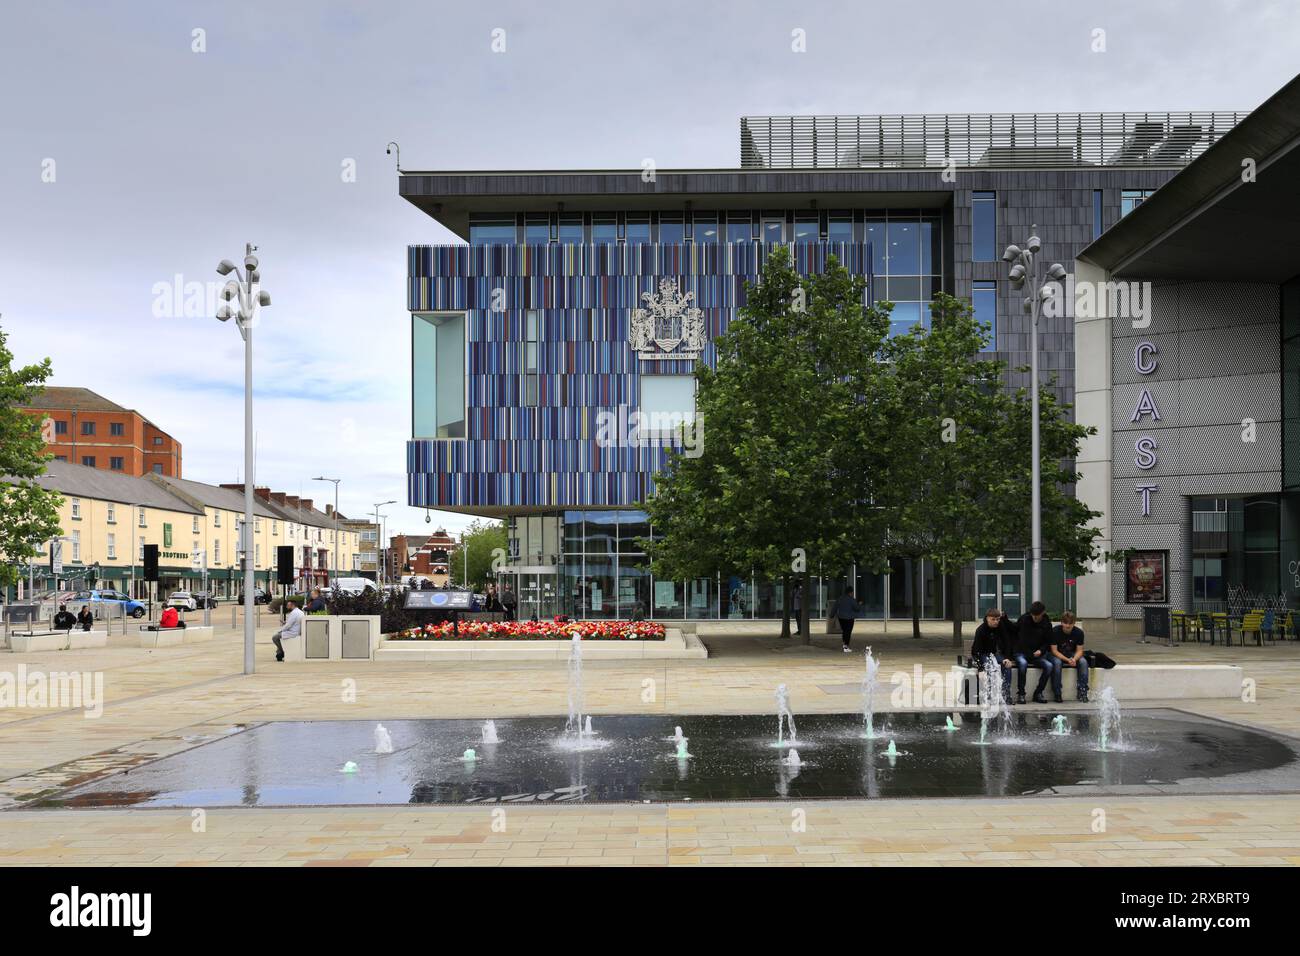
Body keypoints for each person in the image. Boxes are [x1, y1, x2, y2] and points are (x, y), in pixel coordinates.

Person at [1015, 601, 1059, 703]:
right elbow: (1018, 636)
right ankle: (1021, 693)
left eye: (1037, 616)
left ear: (1043, 613)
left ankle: (1038, 693)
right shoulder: (1024, 619)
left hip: (1036, 653)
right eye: (1033, 615)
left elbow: (1048, 641)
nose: (1035, 618)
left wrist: (1041, 650)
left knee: (1049, 666)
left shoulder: (1046, 623)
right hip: (1022, 651)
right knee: (1023, 664)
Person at [970, 608, 1017, 703]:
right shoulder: (981, 630)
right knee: (990, 666)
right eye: (993, 619)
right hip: (982, 654)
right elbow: (975, 651)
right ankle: (990, 695)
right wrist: (980, 669)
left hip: (994, 654)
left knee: (1007, 666)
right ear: (987, 618)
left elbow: (1007, 643)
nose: (996, 622)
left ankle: (1006, 695)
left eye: (998, 619)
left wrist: (1007, 658)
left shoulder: (1000, 627)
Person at [1051, 611, 1089, 702]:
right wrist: (1067, 660)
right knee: (1057, 663)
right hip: (1057, 654)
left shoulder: (1079, 633)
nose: (1067, 626)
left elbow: (1080, 650)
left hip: (1071, 654)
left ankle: (1082, 690)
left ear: (1074, 623)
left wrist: (1074, 659)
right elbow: (1054, 651)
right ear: (1061, 623)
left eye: (1070, 623)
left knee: (1083, 662)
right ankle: (1057, 692)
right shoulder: (1055, 631)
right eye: (1065, 623)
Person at [271, 598, 304, 663]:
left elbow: (288, 625)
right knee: (280, 637)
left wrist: (281, 630)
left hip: (293, 632)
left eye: (288, 605)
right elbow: (292, 622)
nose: (287, 606)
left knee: (275, 637)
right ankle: (279, 654)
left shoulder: (294, 613)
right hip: (296, 631)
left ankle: (282, 651)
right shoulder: (300, 612)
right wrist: (285, 623)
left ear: (292, 605)